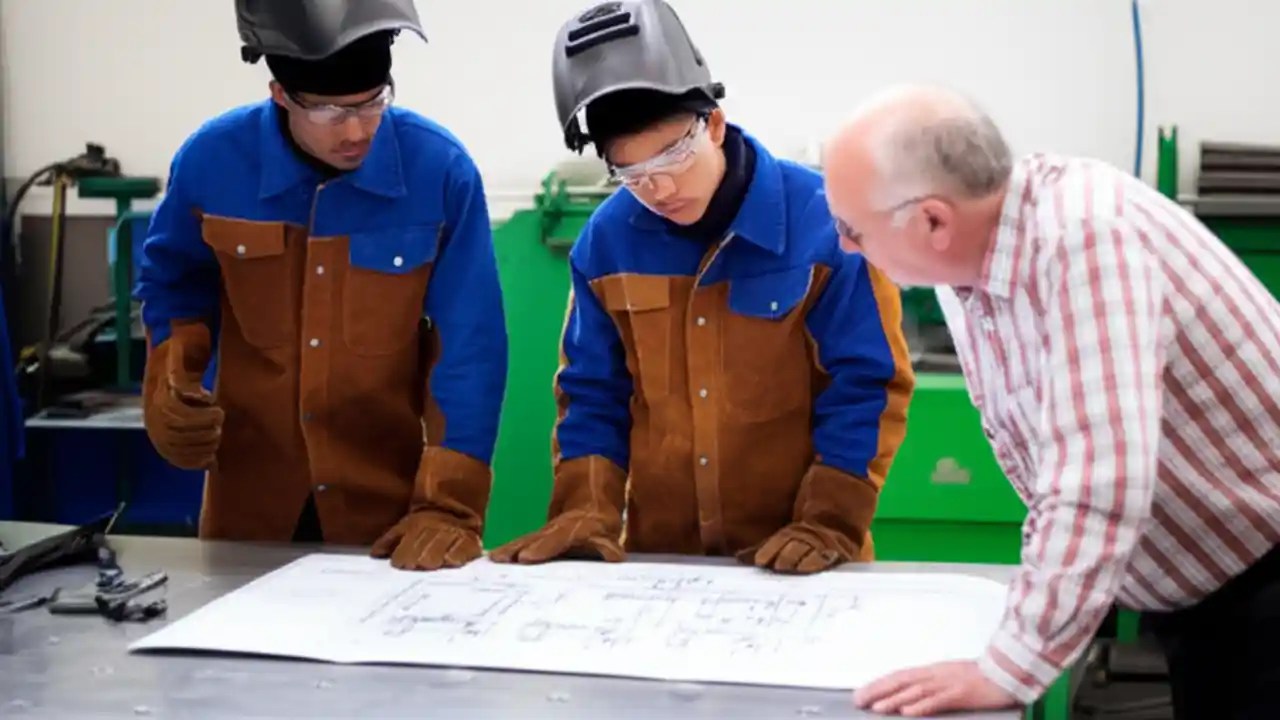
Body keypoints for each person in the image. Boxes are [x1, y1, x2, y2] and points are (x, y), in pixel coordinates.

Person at [821, 84, 1280, 719]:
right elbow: (1040, 456)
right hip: (1204, 585)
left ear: (932, 219)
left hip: (1263, 578)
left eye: (851, 229)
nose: (845, 246)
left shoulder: (1085, 238)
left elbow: (1099, 480)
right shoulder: (966, 260)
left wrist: (1012, 666)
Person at [490, 0, 914, 575]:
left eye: (674, 155)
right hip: (661, 567)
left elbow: (867, 384)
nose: (659, 188)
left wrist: (830, 520)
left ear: (713, 124)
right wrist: (586, 510)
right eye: (632, 175)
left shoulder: (823, 225)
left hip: (805, 565)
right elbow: (593, 394)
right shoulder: (606, 243)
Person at [134, 0, 508, 572]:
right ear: (280, 93)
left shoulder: (441, 172)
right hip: (248, 516)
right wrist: (169, 373)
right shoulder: (211, 163)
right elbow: (174, 285)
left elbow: (469, 350)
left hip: (388, 524)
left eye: (374, 102)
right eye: (332, 111)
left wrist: (448, 504)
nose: (358, 130)